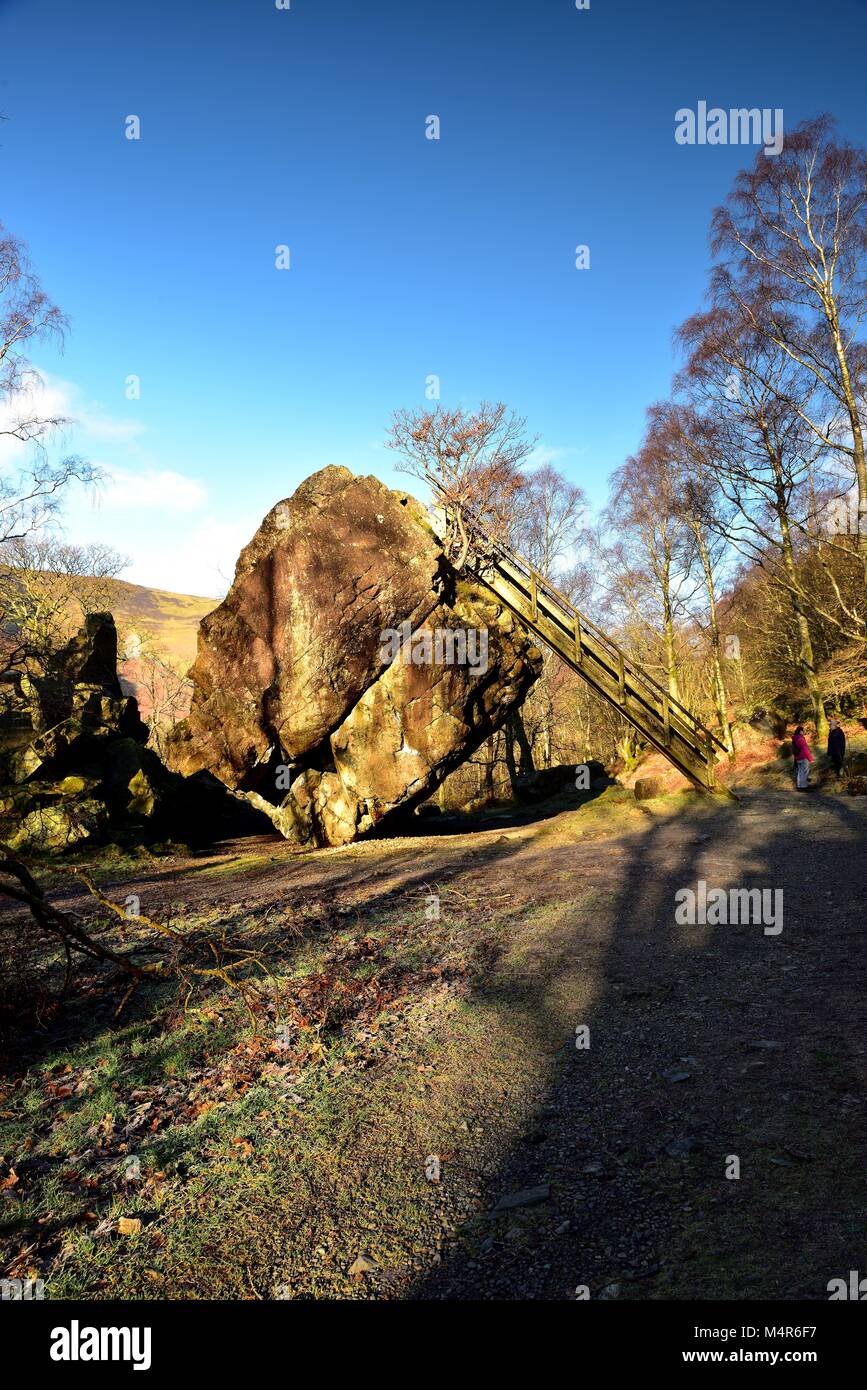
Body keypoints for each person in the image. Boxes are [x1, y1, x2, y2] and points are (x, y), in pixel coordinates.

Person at [791, 725, 815, 790]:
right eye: (803, 731)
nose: (804, 732)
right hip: (803, 757)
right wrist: (810, 759)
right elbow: (805, 749)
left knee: (800, 772)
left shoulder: (795, 739)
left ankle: (800, 786)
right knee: (804, 772)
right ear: (800, 731)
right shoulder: (800, 739)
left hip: (798, 758)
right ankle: (804, 786)